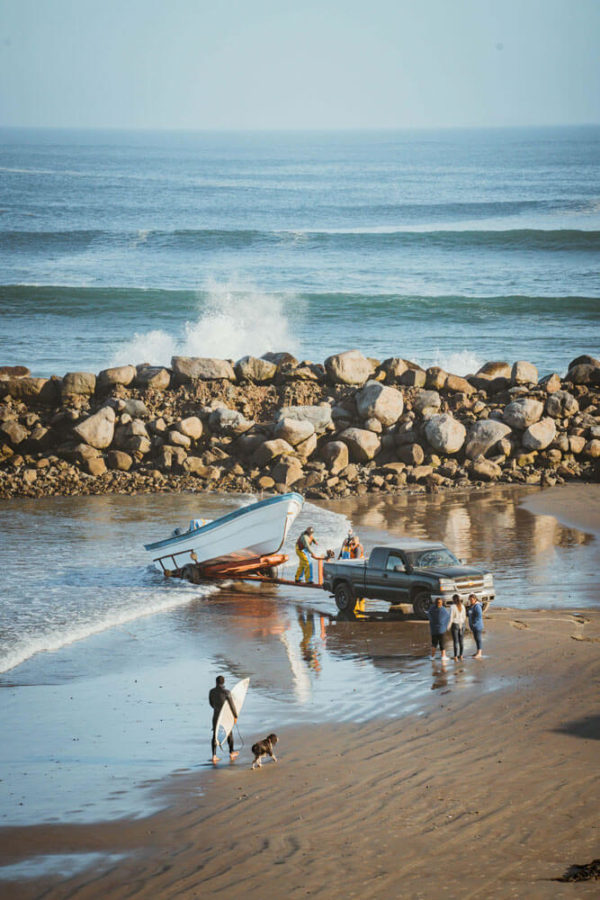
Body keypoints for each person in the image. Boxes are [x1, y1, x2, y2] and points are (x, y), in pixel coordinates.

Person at [209, 675, 239, 764]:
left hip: (215, 716)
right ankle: (231, 752)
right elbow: (232, 705)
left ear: (216, 682)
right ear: (223, 682)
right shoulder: (227, 692)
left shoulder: (211, 692)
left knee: (215, 734)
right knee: (229, 733)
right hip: (225, 716)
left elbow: (211, 703)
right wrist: (235, 716)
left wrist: (216, 709)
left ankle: (214, 756)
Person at [427, 597, 450, 662]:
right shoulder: (443, 610)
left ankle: (432, 656)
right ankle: (443, 656)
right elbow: (447, 618)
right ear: (441, 603)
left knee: (434, 643)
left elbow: (429, 616)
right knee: (442, 643)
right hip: (441, 630)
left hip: (434, 629)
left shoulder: (431, 609)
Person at [449, 594, 466, 661]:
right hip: (462, 624)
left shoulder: (452, 607)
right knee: (461, 641)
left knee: (455, 641)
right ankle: (461, 655)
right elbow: (464, 617)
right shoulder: (463, 606)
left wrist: (448, 626)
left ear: (453, 600)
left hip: (455, 624)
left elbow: (451, 618)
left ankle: (455, 656)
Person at [468, 593, 484, 659]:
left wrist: (474, 624)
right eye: (470, 599)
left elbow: (479, 616)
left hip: (477, 626)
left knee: (478, 639)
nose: (471, 601)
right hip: (473, 626)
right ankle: (477, 652)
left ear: (475, 599)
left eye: (472, 599)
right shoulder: (472, 606)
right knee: (476, 639)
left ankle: (479, 653)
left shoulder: (477, 606)